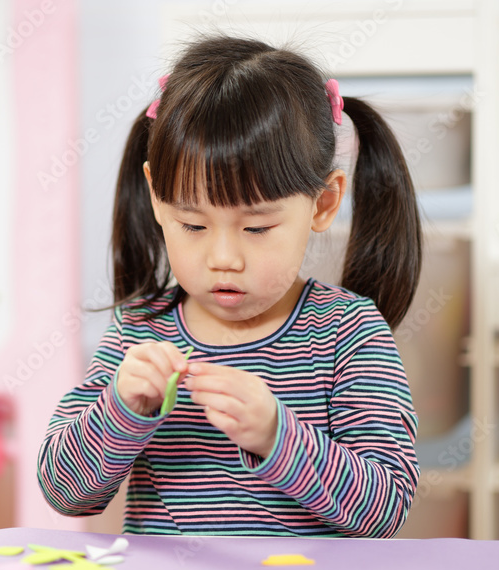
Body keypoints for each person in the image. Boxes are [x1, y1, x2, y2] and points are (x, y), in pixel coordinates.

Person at [38, 35, 422, 537]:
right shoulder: (139, 331)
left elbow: (385, 510)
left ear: (323, 204)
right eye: (193, 226)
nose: (223, 259)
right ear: (157, 198)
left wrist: (275, 435)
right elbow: (65, 493)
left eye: (257, 228)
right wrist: (122, 408)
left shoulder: (346, 332)